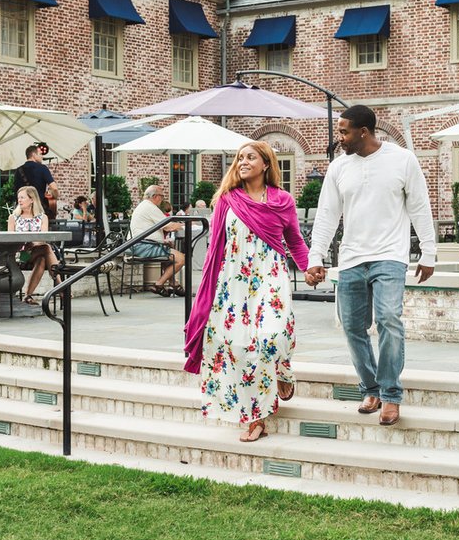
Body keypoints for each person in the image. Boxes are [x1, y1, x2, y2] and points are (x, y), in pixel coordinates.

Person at [306, 105, 436, 427]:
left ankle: (391, 395)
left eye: (344, 131)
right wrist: (315, 257)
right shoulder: (339, 167)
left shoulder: (402, 160)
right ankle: (371, 388)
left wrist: (429, 252)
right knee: (353, 327)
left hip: (390, 255)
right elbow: (326, 215)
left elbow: (419, 205)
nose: (340, 137)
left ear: (363, 132)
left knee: (389, 319)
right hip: (351, 258)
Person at [184, 141, 310, 442]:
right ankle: (256, 417)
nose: (242, 162)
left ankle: (282, 367)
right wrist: (209, 290)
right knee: (239, 346)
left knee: (272, 336)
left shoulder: (282, 200)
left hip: (270, 275)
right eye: (239, 158)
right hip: (234, 281)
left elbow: (294, 240)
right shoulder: (227, 200)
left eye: (250, 157)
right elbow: (216, 247)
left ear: (265, 164)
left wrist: (308, 267)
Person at [128, 185, 185, 296]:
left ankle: (174, 284)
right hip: (144, 246)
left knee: (169, 258)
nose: (162, 199)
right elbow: (169, 226)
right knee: (181, 259)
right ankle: (158, 284)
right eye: (162, 196)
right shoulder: (150, 207)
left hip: (139, 244)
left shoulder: (144, 206)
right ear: (154, 196)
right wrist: (185, 225)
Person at [8, 185, 61, 305]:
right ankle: (60, 286)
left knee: (42, 258)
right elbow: (10, 241)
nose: (19, 200)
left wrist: (33, 244)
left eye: (22, 197)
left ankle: (27, 296)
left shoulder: (42, 218)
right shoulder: (13, 218)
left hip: (37, 252)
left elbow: (43, 238)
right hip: (21, 255)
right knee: (46, 248)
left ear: (32, 199)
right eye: (18, 198)